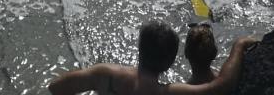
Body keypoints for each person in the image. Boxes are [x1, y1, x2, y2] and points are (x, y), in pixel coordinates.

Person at [47, 19, 258, 94]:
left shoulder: (105, 74)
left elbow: (56, 87)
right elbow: (222, 86)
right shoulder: (167, 92)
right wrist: (238, 46)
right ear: (170, 62)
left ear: (140, 50)